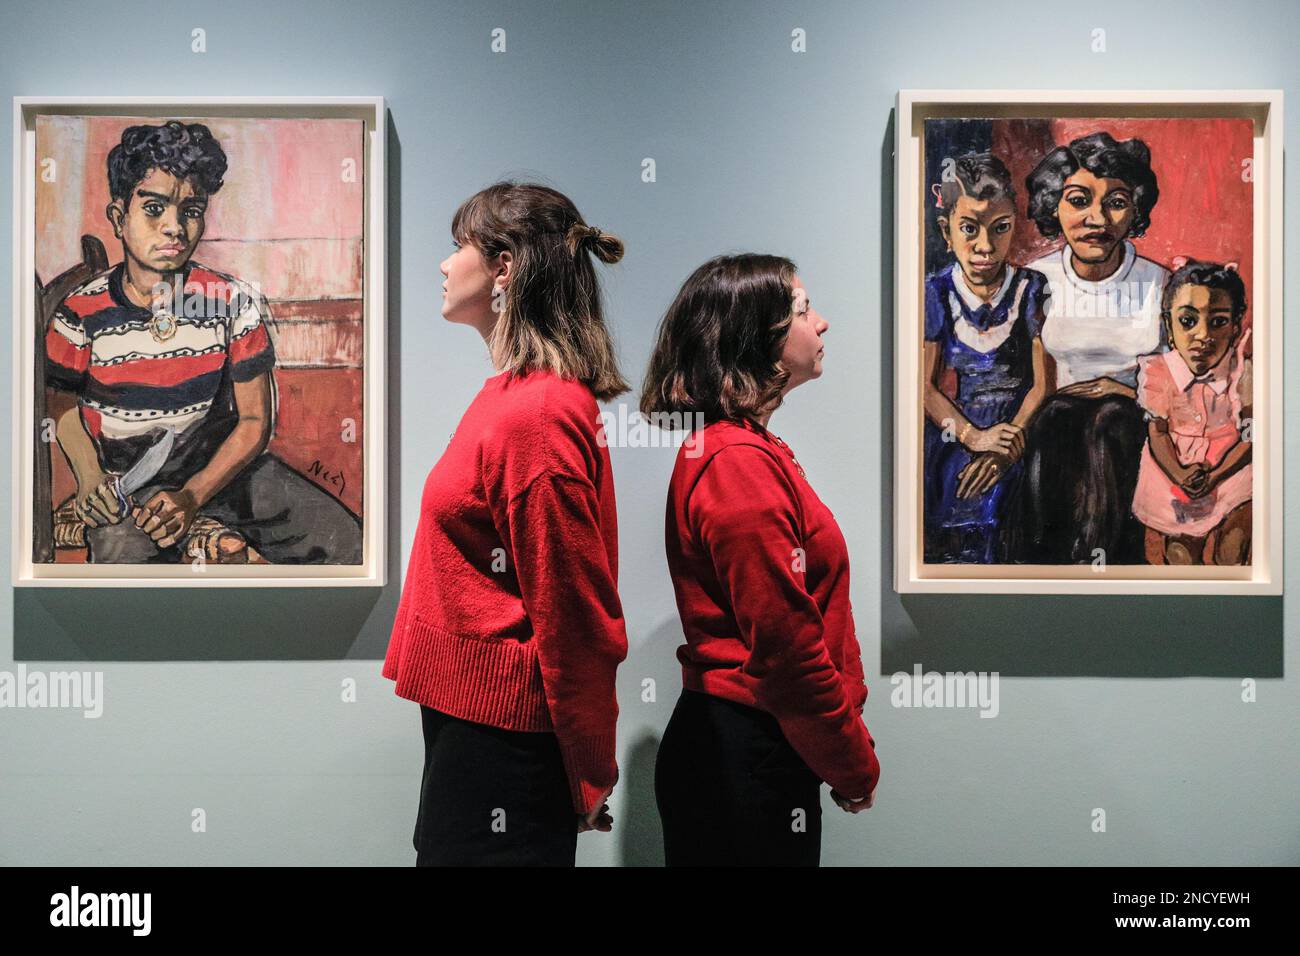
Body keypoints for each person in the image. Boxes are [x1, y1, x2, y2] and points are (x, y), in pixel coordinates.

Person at [382, 182, 630, 866]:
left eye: (458, 245)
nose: (443, 264)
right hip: (473, 727)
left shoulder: (538, 415)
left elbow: (574, 608)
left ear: (505, 267)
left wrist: (589, 769)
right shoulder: (509, 397)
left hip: (506, 745)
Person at [642, 254, 879, 867]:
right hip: (742, 755)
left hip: (751, 746)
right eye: (803, 310)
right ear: (758, 338)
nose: (821, 323)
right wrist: (851, 761)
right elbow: (785, 647)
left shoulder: (750, 450)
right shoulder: (737, 464)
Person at [45, 120, 363, 564]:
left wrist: (193, 495)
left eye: (191, 211)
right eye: (153, 208)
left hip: (225, 470)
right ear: (119, 218)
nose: (174, 227)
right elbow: (60, 405)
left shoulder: (231, 303)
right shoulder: (80, 312)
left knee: (345, 540)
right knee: (123, 566)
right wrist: (88, 475)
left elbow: (254, 420)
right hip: (127, 481)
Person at [1010, 131, 1170, 564]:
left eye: (1115, 202)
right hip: (1055, 429)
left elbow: (1175, 383)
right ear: (1054, 206)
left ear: (1135, 209)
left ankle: (1099, 562)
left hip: (1131, 427)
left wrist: (1121, 391)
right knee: (1059, 417)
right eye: (1079, 201)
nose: (1097, 218)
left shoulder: (1159, 284)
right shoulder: (1036, 280)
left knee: (1108, 420)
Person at [923, 153, 1050, 563]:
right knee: (950, 490)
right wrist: (974, 438)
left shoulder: (1032, 288)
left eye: (1000, 228)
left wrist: (1005, 445)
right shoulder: (935, 292)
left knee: (1013, 505)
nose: (985, 246)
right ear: (946, 231)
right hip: (958, 429)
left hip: (1019, 429)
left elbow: (1042, 385)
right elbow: (923, 388)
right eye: (969, 229)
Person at [1131, 258, 1252, 565]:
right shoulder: (1158, 372)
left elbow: (1252, 437)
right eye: (1187, 321)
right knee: (1181, 554)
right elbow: (1157, 432)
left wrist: (1217, 475)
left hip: (1231, 470)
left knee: (1232, 547)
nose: (1203, 335)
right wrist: (1180, 473)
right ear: (1169, 327)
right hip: (1175, 471)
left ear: (1236, 327)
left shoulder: (1243, 372)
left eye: (1218, 322)